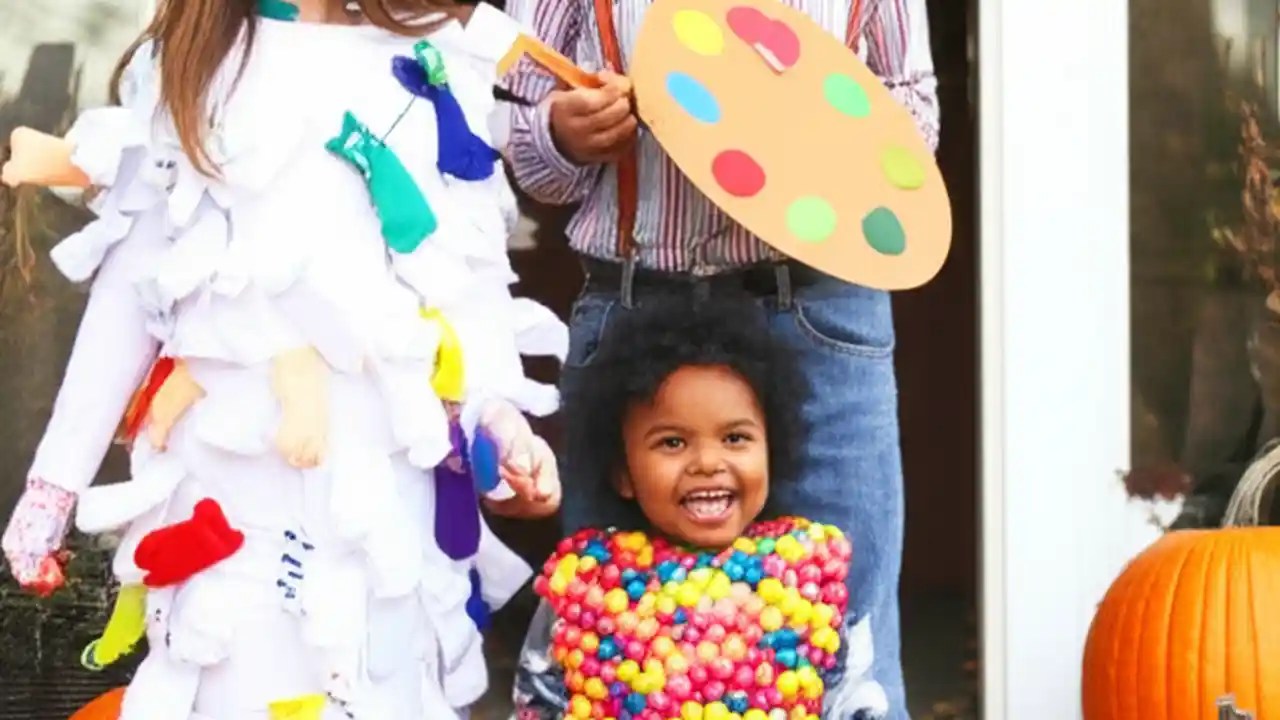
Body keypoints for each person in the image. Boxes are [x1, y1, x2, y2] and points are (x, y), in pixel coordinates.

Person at [0, 0, 566, 716]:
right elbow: (130, 289)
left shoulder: (440, 60)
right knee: (233, 673)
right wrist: (55, 479)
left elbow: (467, 276)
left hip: (385, 486)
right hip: (226, 487)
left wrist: (499, 419)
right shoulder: (191, 63)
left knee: (380, 680)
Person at [503, 0, 940, 714]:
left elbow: (912, 123)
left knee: (847, 656)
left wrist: (819, 139)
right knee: (610, 654)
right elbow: (520, 136)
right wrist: (560, 134)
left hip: (819, 309)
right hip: (636, 305)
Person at [511, 297, 891, 719]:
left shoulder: (812, 582)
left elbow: (856, 702)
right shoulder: (586, 585)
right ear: (622, 472)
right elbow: (538, 702)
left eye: (735, 438)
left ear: (773, 451)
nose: (708, 463)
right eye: (672, 442)